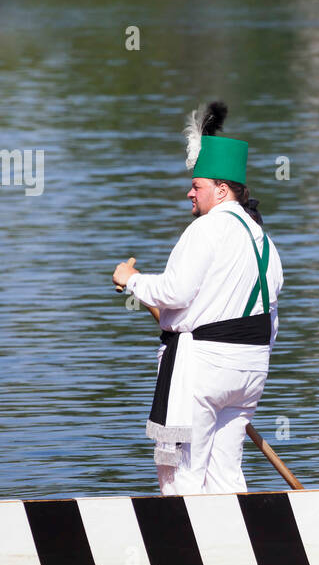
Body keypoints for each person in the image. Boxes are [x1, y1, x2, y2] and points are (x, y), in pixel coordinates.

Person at [112, 101, 284, 494]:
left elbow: (173, 292)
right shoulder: (264, 241)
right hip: (251, 369)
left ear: (222, 191)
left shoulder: (206, 230)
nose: (189, 192)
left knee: (179, 475)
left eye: (197, 185)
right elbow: (270, 314)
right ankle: (236, 549)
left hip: (201, 370)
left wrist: (133, 280)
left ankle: (183, 551)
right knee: (226, 477)